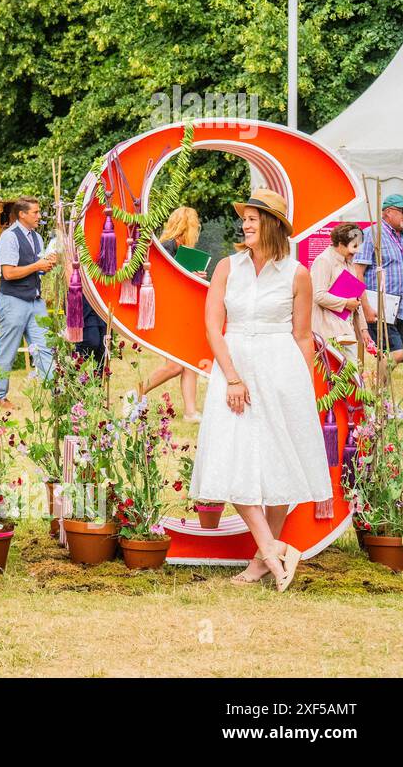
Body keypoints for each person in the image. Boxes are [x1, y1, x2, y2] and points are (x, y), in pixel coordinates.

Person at [190, 189, 331, 592]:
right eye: (245, 217)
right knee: (231, 458)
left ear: (272, 225)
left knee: (280, 461)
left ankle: (260, 561)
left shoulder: (297, 274)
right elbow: (212, 328)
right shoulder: (227, 268)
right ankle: (272, 550)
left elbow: (303, 336)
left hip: (280, 367)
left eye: (253, 218)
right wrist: (232, 377)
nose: (245, 224)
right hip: (235, 364)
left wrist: (302, 387)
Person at [136, 206, 207, 421]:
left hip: (182, 310)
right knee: (175, 365)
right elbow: (163, 280)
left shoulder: (179, 248)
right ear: (189, 226)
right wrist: (189, 275)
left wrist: (196, 276)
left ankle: (190, 411)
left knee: (189, 362)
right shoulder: (167, 247)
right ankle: (137, 393)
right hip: (169, 312)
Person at [0, 197, 57, 409]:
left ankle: (58, 393)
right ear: (22, 214)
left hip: (35, 300)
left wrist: (45, 265)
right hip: (13, 300)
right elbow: (9, 273)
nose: (39, 216)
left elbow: (33, 267)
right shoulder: (9, 237)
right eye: (36, 213)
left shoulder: (37, 237)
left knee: (46, 347)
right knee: (8, 350)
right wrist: (37, 265)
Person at [352, 193, 403, 363]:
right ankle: (376, 386)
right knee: (392, 354)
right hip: (380, 309)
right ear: (388, 212)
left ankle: (383, 388)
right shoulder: (370, 234)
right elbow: (356, 274)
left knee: (398, 356)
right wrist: (366, 308)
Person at [311, 222, 375, 354]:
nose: (357, 250)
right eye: (354, 246)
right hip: (328, 331)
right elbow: (318, 295)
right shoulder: (324, 260)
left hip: (346, 329)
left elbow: (356, 300)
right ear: (340, 243)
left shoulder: (349, 263)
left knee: (352, 373)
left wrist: (363, 329)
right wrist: (345, 303)